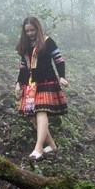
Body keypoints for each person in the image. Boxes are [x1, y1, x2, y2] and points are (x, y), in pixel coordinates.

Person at [13, 16, 68, 160]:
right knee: (32, 116)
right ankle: (52, 145)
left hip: (46, 81)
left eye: (32, 30)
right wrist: (18, 83)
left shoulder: (47, 41)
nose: (30, 33)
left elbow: (58, 59)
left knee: (41, 111)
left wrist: (62, 76)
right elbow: (23, 66)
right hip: (30, 84)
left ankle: (38, 149)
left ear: (38, 28)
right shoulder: (25, 45)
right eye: (27, 31)